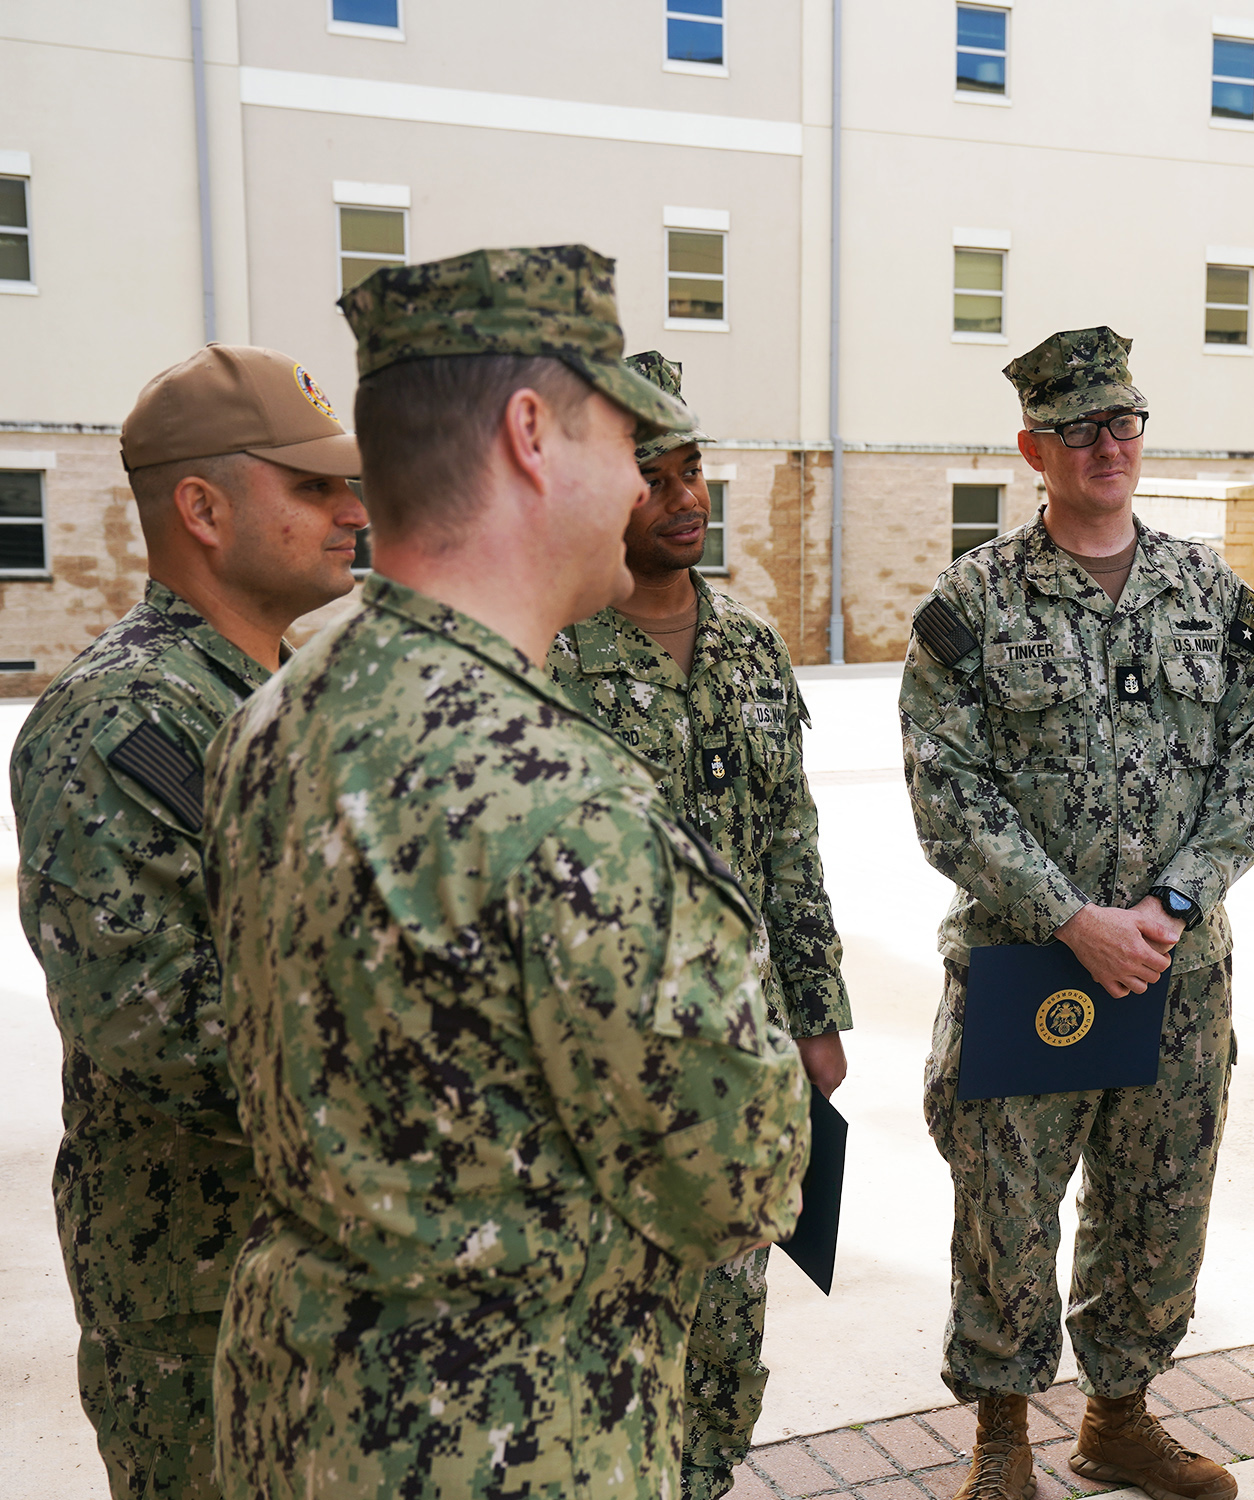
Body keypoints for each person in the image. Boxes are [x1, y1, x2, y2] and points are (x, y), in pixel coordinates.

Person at [201, 246, 809, 1498]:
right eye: (620, 440)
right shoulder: (566, 800)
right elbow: (747, 1175)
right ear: (534, 435)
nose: (642, 479)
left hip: (297, 1421)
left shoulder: (270, 714)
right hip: (511, 1440)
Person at [900, 326, 1254, 1500]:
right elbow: (946, 792)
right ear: (1035, 448)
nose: (1107, 444)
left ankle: (1119, 1419)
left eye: (1123, 422)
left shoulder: (1212, 596)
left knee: (1157, 1206)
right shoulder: (970, 606)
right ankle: (1002, 1444)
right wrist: (1075, 919)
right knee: (1005, 1212)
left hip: (1175, 970)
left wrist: (1169, 905)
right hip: (1030, 969)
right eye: (1079, 428)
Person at [9, 344, 365, 1500]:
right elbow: (157, 1029)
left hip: (333, 1265)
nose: (352, 510)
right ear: (202, 509)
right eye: (313, 488)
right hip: (203, 1298)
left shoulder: (290, 693)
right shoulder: (123, 720)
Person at [546, 350, 852, 1500]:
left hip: (744, 1063)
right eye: (654, 475)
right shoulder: (550, 654)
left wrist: (817, 1014)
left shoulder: (750, 647)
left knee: (725, 1342)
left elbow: (790, 840)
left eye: (694, 471)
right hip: (606, 1081)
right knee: (609, 1352)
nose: (684, 499)